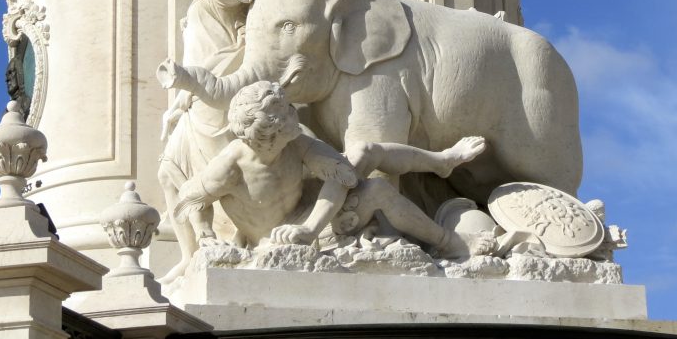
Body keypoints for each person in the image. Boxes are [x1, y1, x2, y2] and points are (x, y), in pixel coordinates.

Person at [175, 81, 492, 259]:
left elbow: (342, 172)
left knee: (364, 151)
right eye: (286, 111)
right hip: (279, 238)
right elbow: (190, 199)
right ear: (269, 129)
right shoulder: (230, 166)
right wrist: (205, 236)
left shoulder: (292, 140)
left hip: (310, 224)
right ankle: (449, 242)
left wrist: (311, 225)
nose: (294, 112)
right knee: (380, 190)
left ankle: (442, 162)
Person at [157, 0, 254, 283]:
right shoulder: (202, 0)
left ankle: (232, 237)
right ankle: (193, 250)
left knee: (214, 175)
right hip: (193, 93)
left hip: (219, 88)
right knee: (169, 172)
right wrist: (179, 102)